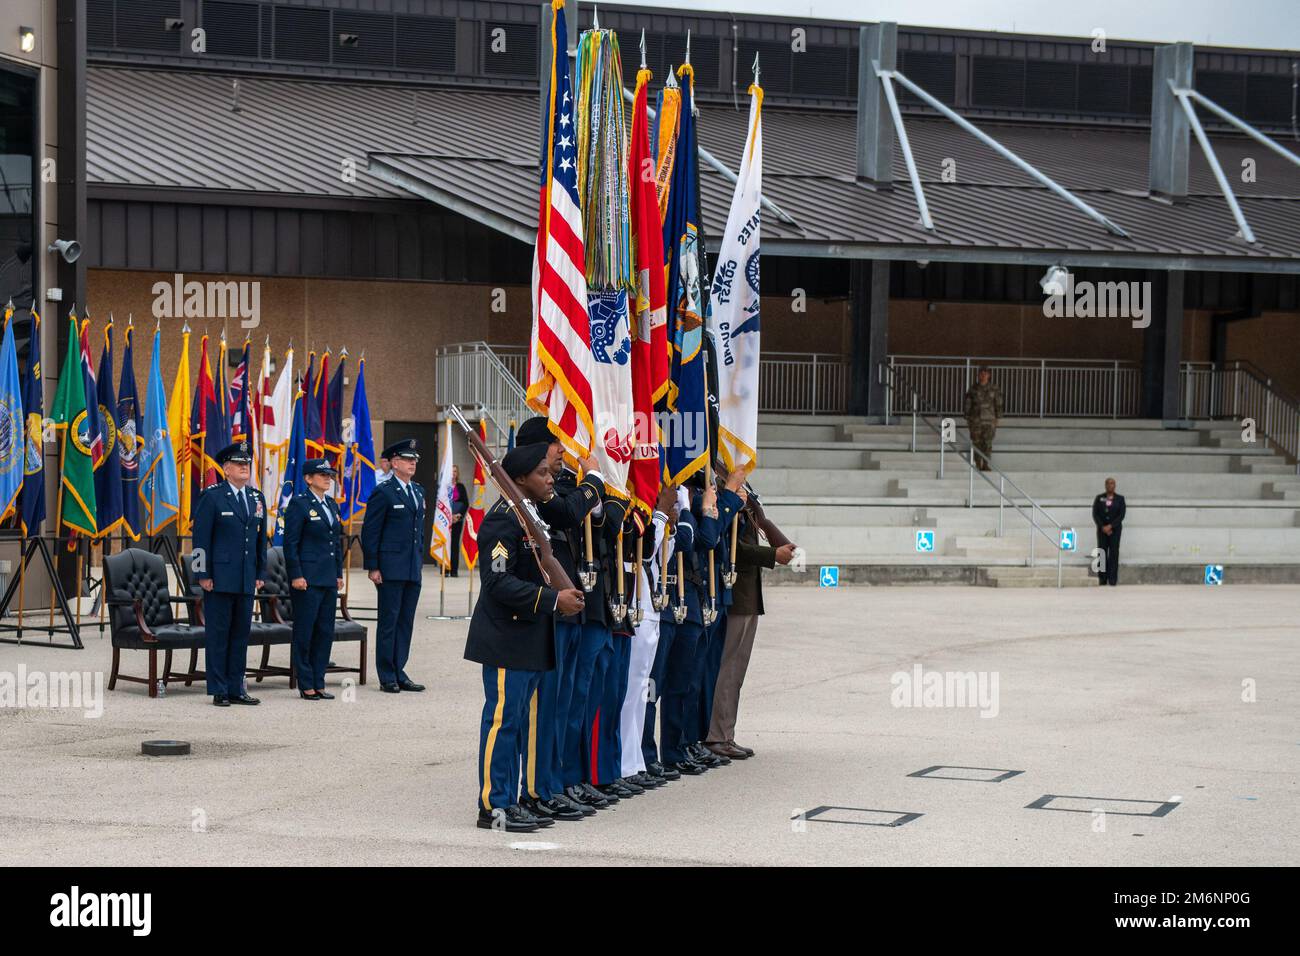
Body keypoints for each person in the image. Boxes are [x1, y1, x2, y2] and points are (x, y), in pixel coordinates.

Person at [464, 442, 586, 832]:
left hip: (530, 634)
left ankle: (514, 798)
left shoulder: (528, 516)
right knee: (503, 722)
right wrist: (553, 600)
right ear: (518, 479)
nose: (551, 479)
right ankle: (493, 806)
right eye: (542, 473)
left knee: (519, 722)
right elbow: (497, 582)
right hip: (507, 636)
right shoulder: (503, 520)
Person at [512, 416, 604, 823]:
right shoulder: (531, 493)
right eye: (556, 446)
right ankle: (539, 788)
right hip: (549, 609)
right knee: (544, 707)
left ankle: (556, 781)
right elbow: (568, 513)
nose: (563, 453)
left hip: (569, 607)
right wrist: (596, 482)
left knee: (564, 703)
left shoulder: (555, 484)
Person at [705, 490, 797, 758]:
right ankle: (716, 736)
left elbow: (754, 529)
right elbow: (729, 547)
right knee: (728, 668)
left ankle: (725, 734)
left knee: (736, 670)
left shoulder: (744, 490)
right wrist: (771, 555)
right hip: (734, 592)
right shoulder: (723, 487)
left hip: (747, 593)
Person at [191, 440, 268, 707]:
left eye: (247, 463)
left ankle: (237, 687)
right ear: (226, 469)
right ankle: (219, 688)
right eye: (238, 464)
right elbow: (200, 539)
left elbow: (260, 541)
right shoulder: (212, 496)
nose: (244, 467)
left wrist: (260, 572)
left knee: (240, 635)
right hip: (220, 578)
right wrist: (202, 573)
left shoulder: (256, 498)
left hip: (246, 578)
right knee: (219, 635)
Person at [360, 438, 426, 694]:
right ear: (394, 462)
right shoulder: (384, 492)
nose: (412, 463)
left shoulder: (418, 491)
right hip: (390, 567)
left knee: (405, 622)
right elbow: (371, 532)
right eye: (408, 460)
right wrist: (373, 566)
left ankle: (400, 670)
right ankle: (387, 674)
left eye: (414, 460)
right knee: (389, 621)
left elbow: (417, 532)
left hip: (411, 567)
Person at [282, 458, 344, 701]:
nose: (328, 478)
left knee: (324, 632)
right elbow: (291, 543)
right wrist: (296, 574)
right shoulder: (299, 504)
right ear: (308, 478)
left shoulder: (331, 504)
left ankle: (319, 680)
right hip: (307, 579)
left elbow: (335, 543)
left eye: (330, 474)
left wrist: (338, 573)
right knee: (305, 632)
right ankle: (305, 682)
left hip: (327, 578)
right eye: (322, 475)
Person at [964, 367, 1003, 471]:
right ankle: (977, 464)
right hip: (975, 420)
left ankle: (986, 464)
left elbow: (998, 403)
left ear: (989, 375)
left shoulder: (994, 388)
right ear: (978, 375)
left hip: (989, 420)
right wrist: (967, 417)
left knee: (987, 443)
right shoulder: (973, 389)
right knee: (976, 442)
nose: (983, 375)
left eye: (985, 374)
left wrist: (997, 417)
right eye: (981, 373)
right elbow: (968, 404)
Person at [1092, 477, 1126, 586]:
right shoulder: (1099, 498)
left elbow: (1121, 515)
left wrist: (1111, 526)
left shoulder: (1120, 499)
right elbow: (1095, 514)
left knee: (1114, 554)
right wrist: (1103, 527)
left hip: (1115, 531)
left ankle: (1112, 579)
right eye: (1108, 483)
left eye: (1112, 483)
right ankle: (1102, 579)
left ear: (1115, 486)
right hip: (1102, 530)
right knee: (1102, 553)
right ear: (1105, 485)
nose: (1110, 485)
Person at [448, 464, 469, 577]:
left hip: (457, 520)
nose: (453, 473)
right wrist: (448, 516)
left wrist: (458, 516)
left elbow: (466, 503)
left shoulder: (461, 486)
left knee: (454, 545)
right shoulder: (444, 486)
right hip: (445, 520)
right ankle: (445, 569)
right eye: (451, 471)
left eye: (455, 471)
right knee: (445, 544)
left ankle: (454, 570)